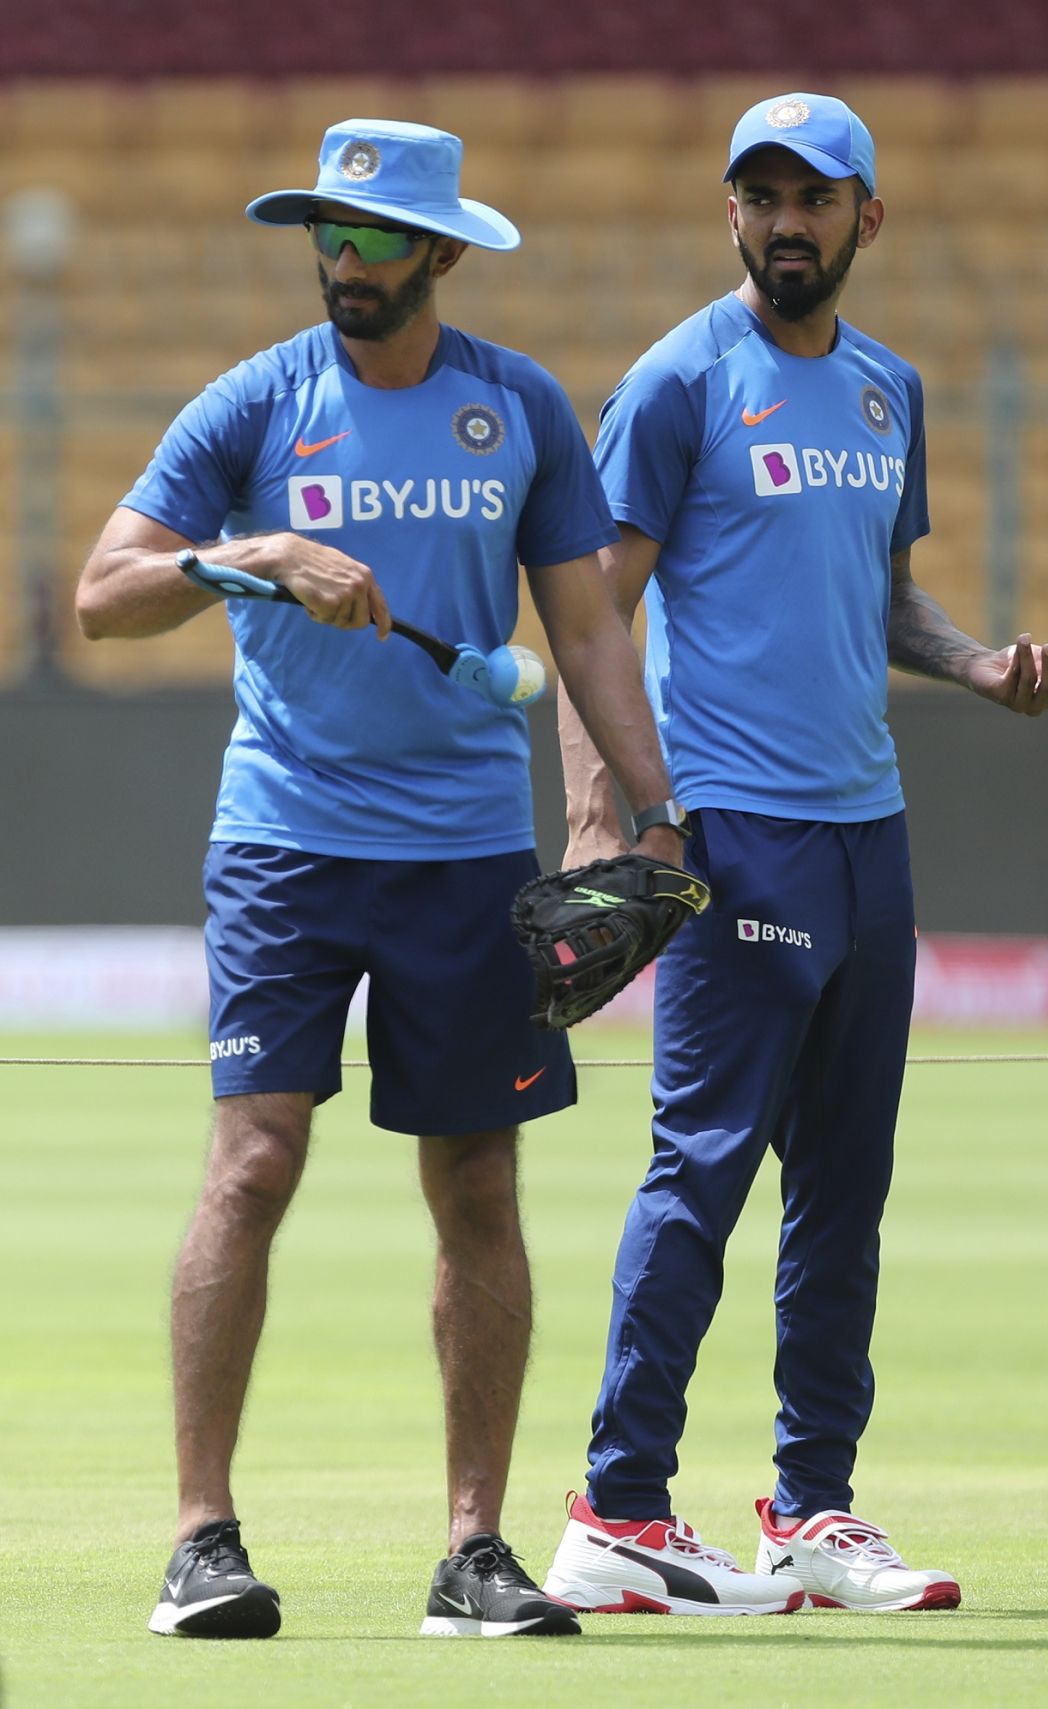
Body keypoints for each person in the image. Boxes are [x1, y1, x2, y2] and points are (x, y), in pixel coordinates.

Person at [75, 118, 687, 1642]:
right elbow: (102, 596)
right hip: (283, 840)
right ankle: (200, 1539)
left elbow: (591, 634)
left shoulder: (522, 409)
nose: (341, 262)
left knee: (478, 1182)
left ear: (441, 252)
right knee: (252, 1164)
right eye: (325, 236)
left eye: (371, 238)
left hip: (467, 855)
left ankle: (475, 1553)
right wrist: (255, 553)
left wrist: (648, 817)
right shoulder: (256, 403)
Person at [544, 91, 1048, 1617]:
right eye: (762, 195)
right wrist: (604, 819)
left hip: (869, 836)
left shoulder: (887, 391)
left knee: (845, 1185)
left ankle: (813, 1509)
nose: (788, 220)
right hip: (736, 833)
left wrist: (984, 666)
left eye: (816, 195)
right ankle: (621, 1508)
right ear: (731, 214)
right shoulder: (676, 382)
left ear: (870, 216)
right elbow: (596, 611)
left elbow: (884, 601)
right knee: (705, 1166)